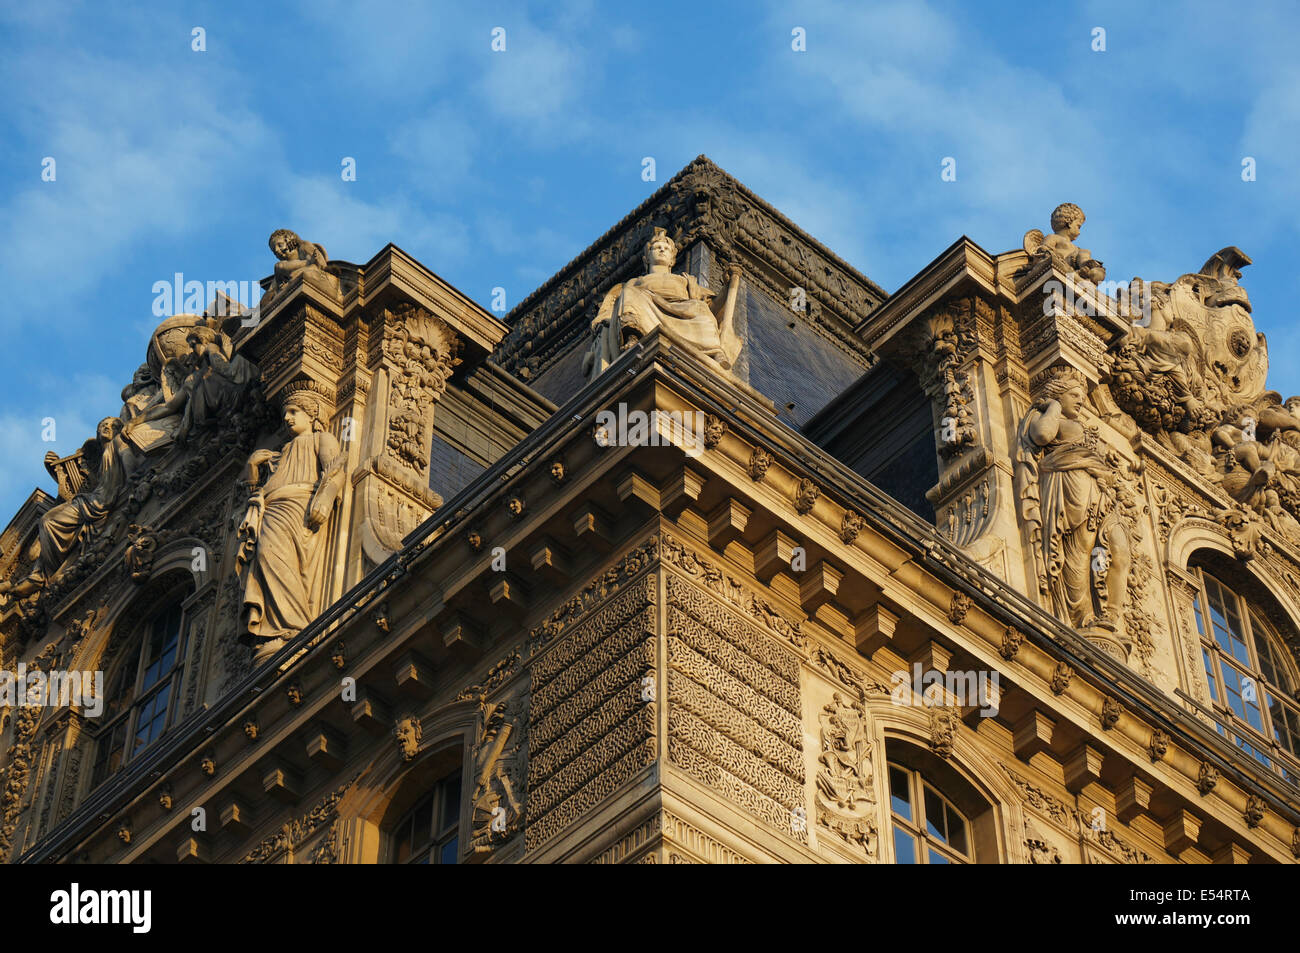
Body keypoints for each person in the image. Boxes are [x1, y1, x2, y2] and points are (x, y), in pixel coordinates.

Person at [1017, 370, 1130, 629]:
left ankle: (1112, 614)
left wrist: (1106, 458)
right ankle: (1083, 618)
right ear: (1057, 394)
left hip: (1100, 495)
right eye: (1073, 395)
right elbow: (1042, 436)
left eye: (1082, 395)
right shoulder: (1046, 415)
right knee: (1080, 553)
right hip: (1072, 491)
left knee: (1119, 551)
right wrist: (1054, 406)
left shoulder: (1082, 425)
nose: (1080, 400)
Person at [236, 392, 344, 662]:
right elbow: (254, 488)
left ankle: (292, 626)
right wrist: (251, 467)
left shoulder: (322, 439)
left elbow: (335, 470)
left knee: (275, 558)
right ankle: (276, 628)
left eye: (295, 412)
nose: (287, 418)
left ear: (312, 416)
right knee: (263, 558)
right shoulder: (281, 451)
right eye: (286, 412)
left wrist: (325, 498)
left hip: (298, 508)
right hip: (270, 511)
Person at [583, 228, 742, 380]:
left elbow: (713, 307)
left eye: (666, 248)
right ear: (646, 258)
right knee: (629, 293)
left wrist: (728, 287)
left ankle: (715, 351)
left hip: (682, 311)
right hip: (648, 308)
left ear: (672, 259)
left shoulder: (685, 280)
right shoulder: (636, 282)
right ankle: (632, 336)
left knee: (700, 307)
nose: (662, 250)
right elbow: (612, 309)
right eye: (657, 247)